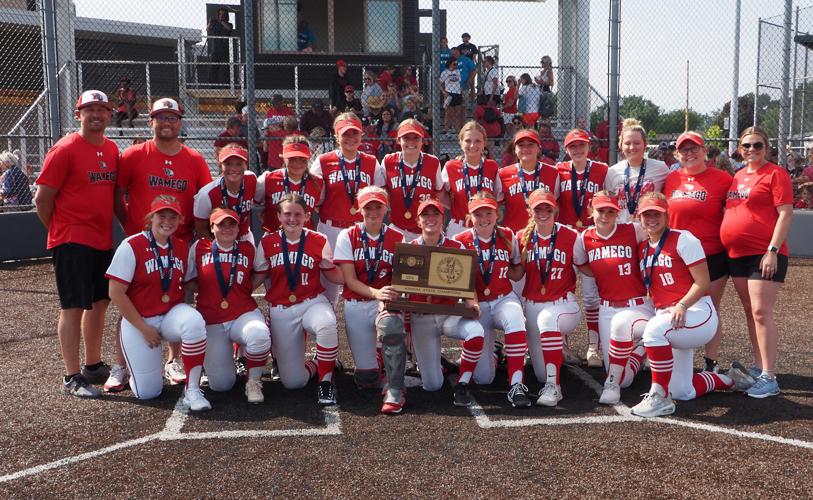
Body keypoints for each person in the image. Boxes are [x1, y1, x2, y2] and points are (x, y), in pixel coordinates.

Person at [110, 97, 212, 390]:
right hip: (141, 245)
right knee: (130, 302)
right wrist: (128, 226)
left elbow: (201, 202)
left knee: (180, 301)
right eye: (161, 117)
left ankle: (174, 360)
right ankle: (121, 365)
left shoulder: (194, 159)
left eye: (172, 117)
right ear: (150, 121)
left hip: (179, 243)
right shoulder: (133, 154)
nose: (167, 122)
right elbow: (118, 194)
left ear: (181, 122)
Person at [631, 193, 750, 417]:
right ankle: (727, 379)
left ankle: (659, 397)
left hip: (696, 312)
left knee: (654, 329)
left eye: (657, 213)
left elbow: (703, 282)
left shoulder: (683, 239)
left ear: (667, 215)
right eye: (647, 214)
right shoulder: (643, 248)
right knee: (683, 391)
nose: (651, 219)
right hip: (670, 317)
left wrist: (683, 305)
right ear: (640, 217)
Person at [34, 90, 119, 398]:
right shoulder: (65, 148)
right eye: (89, 109)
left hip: (100, 239)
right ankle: (72, 377)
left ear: (110, 115)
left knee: (100, 303)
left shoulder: (111, 149)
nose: (96, 114)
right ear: (78, 114)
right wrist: (62, 230)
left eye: (102, 109)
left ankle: (93, 365)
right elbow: (42, 199)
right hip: (72, 239)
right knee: (72, 306)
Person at [106, 195, 211, 411]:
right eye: (161, 215)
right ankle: (132, 369)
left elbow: (190, 284)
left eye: (173, 217)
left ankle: (192, 389)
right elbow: (116, 293)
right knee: (148, 393)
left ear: (180, 220)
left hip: (170, 316)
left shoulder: (182, 247)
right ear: (150, 217)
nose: (167, 221)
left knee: (194, 322)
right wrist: (144, 328)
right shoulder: (132, 245)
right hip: (141, 320)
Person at [720, 126, 794, 398]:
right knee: (751, 313)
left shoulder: (776, 174)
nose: (751, 150)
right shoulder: (737, 176)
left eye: (757, 145)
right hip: (737, 255)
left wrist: (772, 250)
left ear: (767, 148)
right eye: (746, 146)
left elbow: (785, 213)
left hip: (763, 254)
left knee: (762, 313)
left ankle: (770, 377)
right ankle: (760, 366)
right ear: (739, 149)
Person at [252, 193, 344, 405]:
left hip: (311, 302)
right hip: (281, 309)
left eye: (297, 214)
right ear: (278, 216)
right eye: (287, 214)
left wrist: (359, 280)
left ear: (306, 216)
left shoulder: (318, 240)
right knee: (293, 382)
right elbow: (259, 276)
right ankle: (319, 362)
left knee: (327, 323)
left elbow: (331, 273)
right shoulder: (267, 242)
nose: (292, 219)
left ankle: (326, 382)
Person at [184, 208, 270, 403]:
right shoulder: (199, 247)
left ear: (239, 228)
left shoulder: (248, 248)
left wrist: (244, 288)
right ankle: (225, 362)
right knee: (221, 385)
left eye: (232, 224)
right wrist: (207, 290)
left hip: (243, 313)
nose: (227, 228)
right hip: (212, 317)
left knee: (259, 333)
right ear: (211, 228)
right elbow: (189, 280)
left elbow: (260, 272)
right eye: (221, 224)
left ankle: (253, 381)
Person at [334, 187, 408, 413]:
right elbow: (349, 280)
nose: (373, 212)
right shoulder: (347, 235)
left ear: (386, 208)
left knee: (392, 325)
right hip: (357, 302)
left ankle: (396, 389)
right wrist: (376, 292)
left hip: (384, 302)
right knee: (366, 380)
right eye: (368, 207)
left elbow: (402, 278)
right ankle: (379, 358)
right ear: (359, 210)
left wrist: (388, 296)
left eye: (378, 206)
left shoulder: (398, 237)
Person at [664, 131, 732, 373]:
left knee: (710, 307)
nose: (689, 153)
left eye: (694, 148)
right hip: (677, 257)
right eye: (684, 149)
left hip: (711, 253)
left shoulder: (723, 179)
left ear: (705, 151)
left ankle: (710, 364)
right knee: (676, 304)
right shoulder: (671, 179)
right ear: (677, 154)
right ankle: (672, 360)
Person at [454, 193, 531, 408]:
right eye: (478, 214)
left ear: (497, 214)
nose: (484, 218)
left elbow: (516, 273)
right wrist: (471, 302)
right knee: (484, 378)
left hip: (502, 298)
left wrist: (528, 256)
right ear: (470, 216)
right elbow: (459, 282)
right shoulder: (460, 242)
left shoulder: (508, 236)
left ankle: (517, 384)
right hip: (477, 304)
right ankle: (494, 352)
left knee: (516, 318)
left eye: (489, 212)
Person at [573, 191, 651, 404]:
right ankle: (640, 350)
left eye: (610, 211)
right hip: (607, 308)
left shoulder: (633, 230)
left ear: (618, 213)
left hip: (638, 305)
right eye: (600, 211)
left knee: (617, 377)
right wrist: (603, 271)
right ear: (591, 211)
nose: (605, 216)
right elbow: (581, 264)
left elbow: (655, 245)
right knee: (622, 378)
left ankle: (644, 343)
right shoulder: (585, 237)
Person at [406, 198, 484, 407]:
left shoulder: (456, 246)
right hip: (422, 317)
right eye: (425, 215)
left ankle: (463, 383)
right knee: (432, 385)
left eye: (436, 214)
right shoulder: (409, 249)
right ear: (418, 221)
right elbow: (402, 288)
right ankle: (442, 367)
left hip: (449, 313)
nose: (430, 218)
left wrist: (472, 302)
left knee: (476, 331)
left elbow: (468, 285)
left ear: (443, 219)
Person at [310, 112, 385, 305]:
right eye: (345, 134)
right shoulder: (323, 161)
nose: (351, 138)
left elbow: (378, 197)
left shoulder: (371, 162)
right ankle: (328, 329)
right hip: (330, 230)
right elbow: (315, 196)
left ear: (361, 135)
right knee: (328, 291)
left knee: (365, 284)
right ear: (336, 136)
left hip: (360, 231)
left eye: (355, 133)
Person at [517, 189, 581, 406]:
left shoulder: (571, 235)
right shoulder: (521, 237)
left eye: (547, 208)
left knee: (548, 320)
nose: (543, 212)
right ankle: (552, 359)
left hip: (563, 305)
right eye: (538, 209)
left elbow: (587, 267)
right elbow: (516, 274)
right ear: (529, 211)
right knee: (540, 374)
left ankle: (555, 387)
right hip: (533, 306)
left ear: (555, 209)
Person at [556, 129, 610, 367]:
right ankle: (562, 344)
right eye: (572, 146)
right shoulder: (559, 171)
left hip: (591, 234)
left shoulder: (601, 170)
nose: (577, 150)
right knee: (562, 289)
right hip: (567, 234)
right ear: (566, 149)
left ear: (589, 146)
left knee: (591, 294)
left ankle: (593, 346)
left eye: (582, 145)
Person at [381, 120, 444, 242]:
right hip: (397, 228)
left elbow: (440, 195)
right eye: (406, 138)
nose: (411, 142)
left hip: (426, 229)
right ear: (398, 140)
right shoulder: (388, 161)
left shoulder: (433, 162)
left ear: (422, 140)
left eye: (416, 138)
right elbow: (381, 192)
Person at [441, 121, 502, 237]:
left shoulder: (492, 166)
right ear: (460, 142)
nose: (473, 145)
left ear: (484, 143)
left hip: (485, 227)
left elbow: (497, 196)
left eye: (478, 141)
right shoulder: (450, 167)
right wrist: (455, 207)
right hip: (459, 227)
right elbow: (440, 195)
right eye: (468, 141)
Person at [605, 118, 670, 223]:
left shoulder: (661, 168)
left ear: (645, 144)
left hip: (649, 230)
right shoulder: (612, 171)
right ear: (620, 145)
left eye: (637, 143)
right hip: (622, 230)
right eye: (627, 143)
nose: (632, 147)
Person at [497, 129, 559, 235]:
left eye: (530, 145)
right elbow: (496, 206)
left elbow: (557, 206)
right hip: (514, 235)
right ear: (515, 149)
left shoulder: (553, 173)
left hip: (544, 235)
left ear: (538, 148)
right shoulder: (503, 174)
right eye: (521, 145)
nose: (526, 149)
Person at [256, 135, 324, 232]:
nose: (297, 164)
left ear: (308, 158)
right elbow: (253, 202)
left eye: (302, 159)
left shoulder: (318, 182)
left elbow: (320, 206)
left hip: (305, 241)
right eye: (292, 159)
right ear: (283, 157)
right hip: (274, 240)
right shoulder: (267, 179)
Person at [193, 144, 257, 242]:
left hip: (244, 236)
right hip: (218, 241)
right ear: (220, 166)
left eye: (239, 164)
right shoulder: (206, 194)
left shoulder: (251, 179)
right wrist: (216, 248)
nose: (234, 168)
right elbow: (200, 228)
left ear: (246, 165)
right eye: (228, 164)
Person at [206, 8, 234, 84]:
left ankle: (226, 86)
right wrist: (210, 22)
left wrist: (221, 21)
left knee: (225, 70)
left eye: (223, 14)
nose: (221, 16)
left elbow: (229, 28)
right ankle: (213, 86)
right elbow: (207, 29)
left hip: (225, 51)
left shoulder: (228, 24)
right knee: (213, 70)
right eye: (220, 14)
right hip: (215, 51)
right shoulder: (215, 25)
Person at [440, 58, 464, 134]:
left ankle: (457, 129)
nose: (455, 66)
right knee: (448, 113)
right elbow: (440, 83)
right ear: (450, 64)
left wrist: (461, 93)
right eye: (454, 64)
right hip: (449, 93)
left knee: (458, 112)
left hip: (457, 93)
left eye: (456, 64)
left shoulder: (457, 72)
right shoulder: (445, 72)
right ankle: (446, 129)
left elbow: (459, 83)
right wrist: (444, 92)